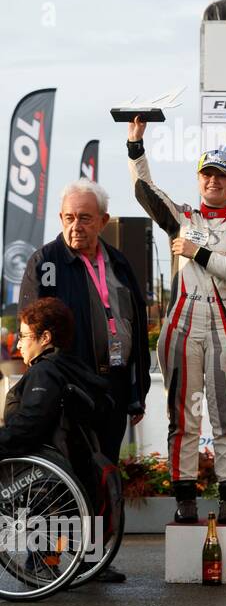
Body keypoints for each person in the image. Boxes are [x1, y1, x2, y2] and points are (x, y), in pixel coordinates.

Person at [128, 117, 226, 524]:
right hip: (183, 324)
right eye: (207, 174)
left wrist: (197, 252)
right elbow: (145, 192)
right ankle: (184, 496)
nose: (213, 182)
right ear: (199, 178)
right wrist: (136, 145)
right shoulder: (183, 215)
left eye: (221, 176)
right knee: (182, 414)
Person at [20, 179, 149, 583]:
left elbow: (138, 329)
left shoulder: (120, 263)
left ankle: (89, 562)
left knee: (99, 474)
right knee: (60, 475)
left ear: (104, 221)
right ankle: (43, 560)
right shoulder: (46, 262)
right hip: (67, 390)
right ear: (61, 218)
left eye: (86, 218)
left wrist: (137, 390)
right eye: (70, 217)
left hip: (109, 389)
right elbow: (32, 328)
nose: (77, 226)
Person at [0, 298, 111, 461]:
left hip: (37, 467)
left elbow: (29, 425)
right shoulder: (70, 366)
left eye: (23, 336)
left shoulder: (44, 372)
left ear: (45, 337)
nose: (18, 345)